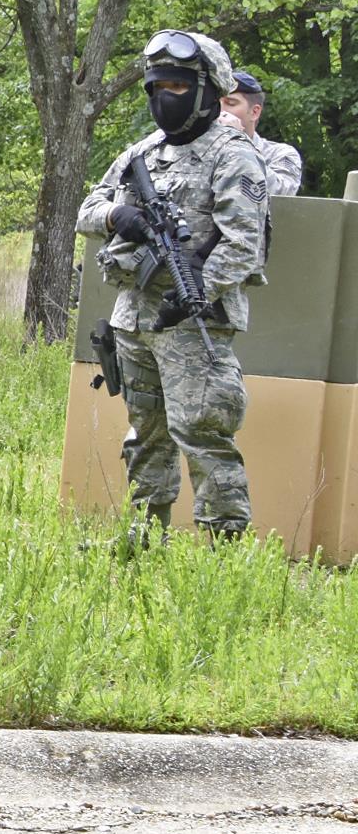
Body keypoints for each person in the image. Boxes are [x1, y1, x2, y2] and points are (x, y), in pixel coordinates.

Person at [75, 29, 268, 540]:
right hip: (134, 317)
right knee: (146, 435)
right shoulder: (142, 151)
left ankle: (223, 549)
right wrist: (121, 216)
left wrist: (196, 291)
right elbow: (87, 210)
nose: (165, 96)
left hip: (193, 320)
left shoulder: (233, 155)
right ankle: (143, 535)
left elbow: (244, 244)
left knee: (203, 434)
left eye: (179, 87)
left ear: (207, 90)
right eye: (158, 85)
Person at [219, 71, 304, 196]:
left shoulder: (278, 154)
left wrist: (239, 146)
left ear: (254, 112)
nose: (220, 110)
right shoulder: (197, 149)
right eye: (215, 103)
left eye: (230, 103)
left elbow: (281, 194)